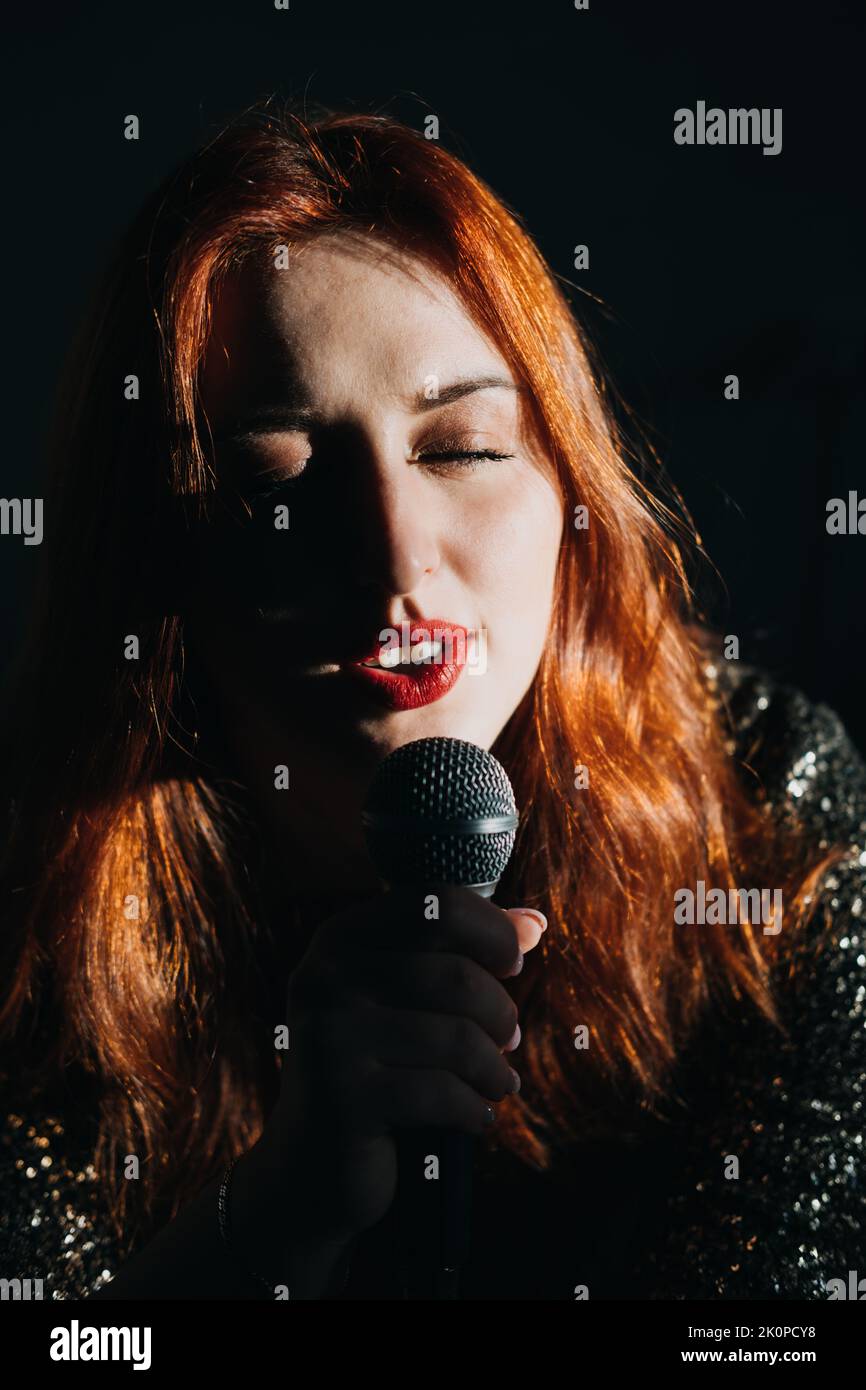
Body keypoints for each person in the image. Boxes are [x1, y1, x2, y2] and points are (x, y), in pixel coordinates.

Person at [1, 102, 863, 1301]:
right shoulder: (33, 926)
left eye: (459, 448)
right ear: (155, 561)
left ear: (572, 488)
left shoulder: (774, 819)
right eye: (278, 481)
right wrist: (268, 1228)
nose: (395, 560)